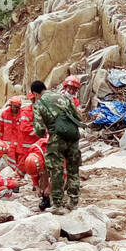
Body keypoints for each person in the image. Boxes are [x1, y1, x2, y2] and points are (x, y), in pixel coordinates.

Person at [31, 79, 84, 215]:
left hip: (57, 139)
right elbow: (78, 116)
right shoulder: (63, 96)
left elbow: (39, 131)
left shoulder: (39, 104)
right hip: (73, 136)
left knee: (56, 170)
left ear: (35, 94)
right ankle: (73, 201)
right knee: (73, 169)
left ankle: (58, 204)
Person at [0, 94, 50, 209]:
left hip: (36, 145)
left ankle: (43, 194)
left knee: (40, 169)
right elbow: (23, 128)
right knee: (23, 167)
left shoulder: (42, 111)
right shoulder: (25, 113)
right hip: (24, 146)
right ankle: (14, 186)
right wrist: (40, 131)